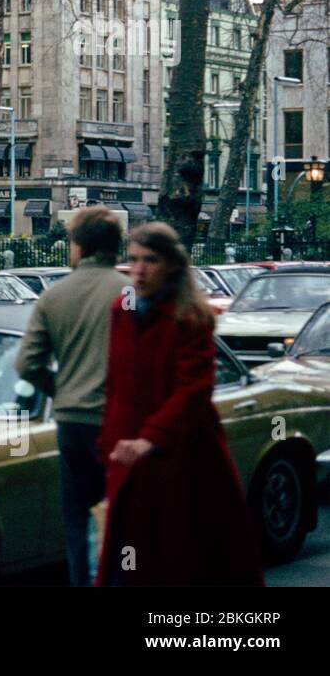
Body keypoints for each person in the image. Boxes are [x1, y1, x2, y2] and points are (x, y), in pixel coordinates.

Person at [95, 222, 263, 586]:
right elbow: (118, 385)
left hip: (184, 457)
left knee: (181, 562)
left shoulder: (190, 318)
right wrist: (109, 442)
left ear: (171, 264)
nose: (138, 270)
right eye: (134, 259)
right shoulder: (121, 311)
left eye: (150, 260)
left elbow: (193, 390)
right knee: (130, 563)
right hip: (132, 458)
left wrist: (150, 438)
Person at [15, 205, 127, 586]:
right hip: (120, 421)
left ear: (79, 247)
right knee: (124, 515)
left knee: (78, 515)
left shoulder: (53, 297)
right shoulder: (129, 294)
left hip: (73, 421)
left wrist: (63, 390)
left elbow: (28, 365)